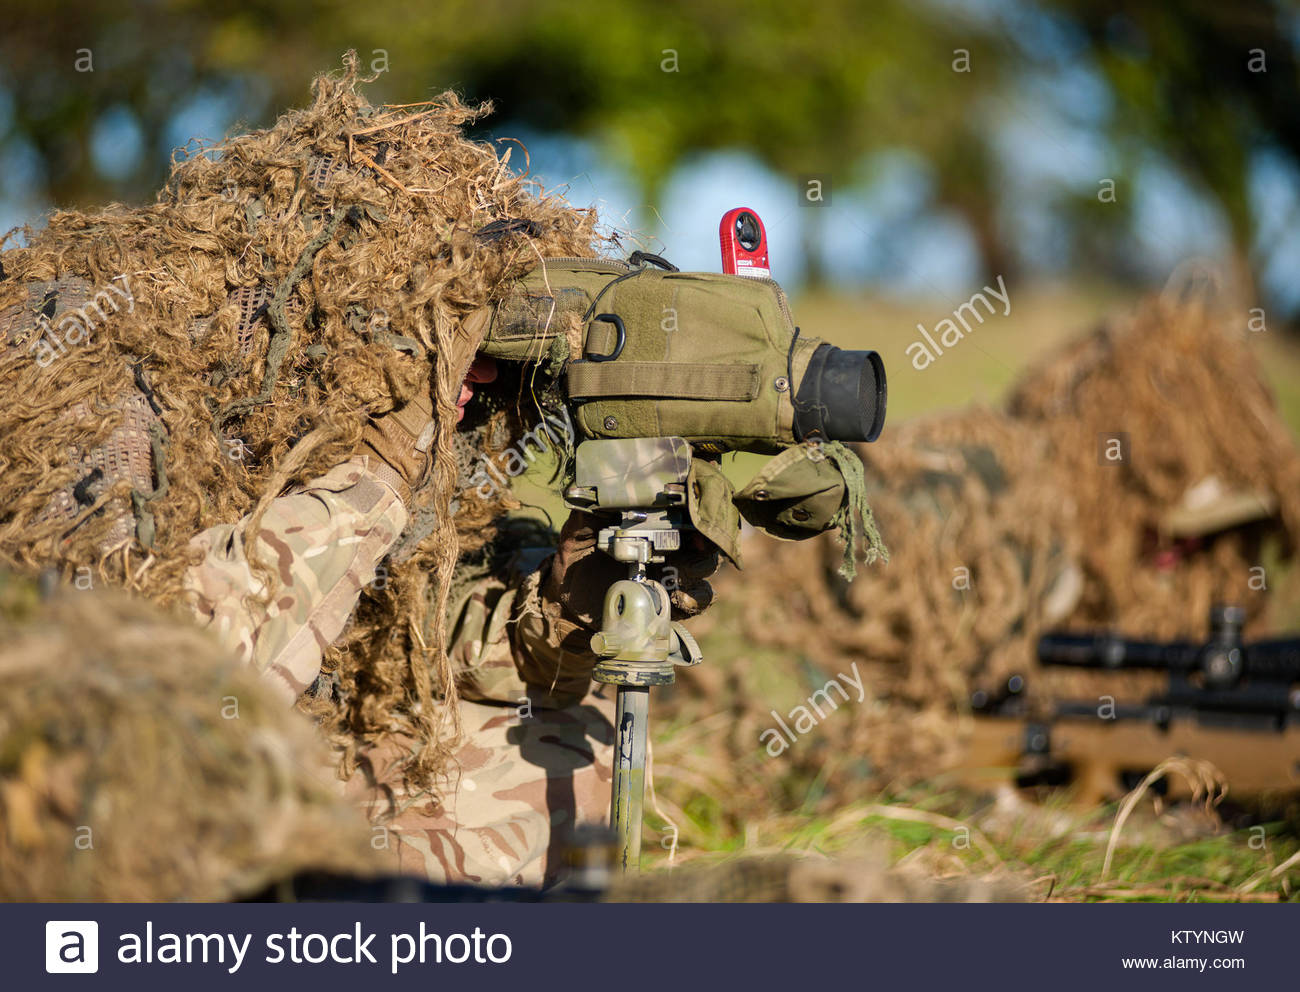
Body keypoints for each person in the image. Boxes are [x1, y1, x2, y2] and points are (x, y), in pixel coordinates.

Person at [182, 338, 720, 886]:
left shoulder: (447, 470)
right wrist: (376, 480)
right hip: (175, 795)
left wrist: (562, 613)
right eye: (415, 342)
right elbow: (193, 678)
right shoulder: (131, 434)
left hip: (326, 748)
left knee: (576, 739)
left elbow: (432, 631)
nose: (478, 376)